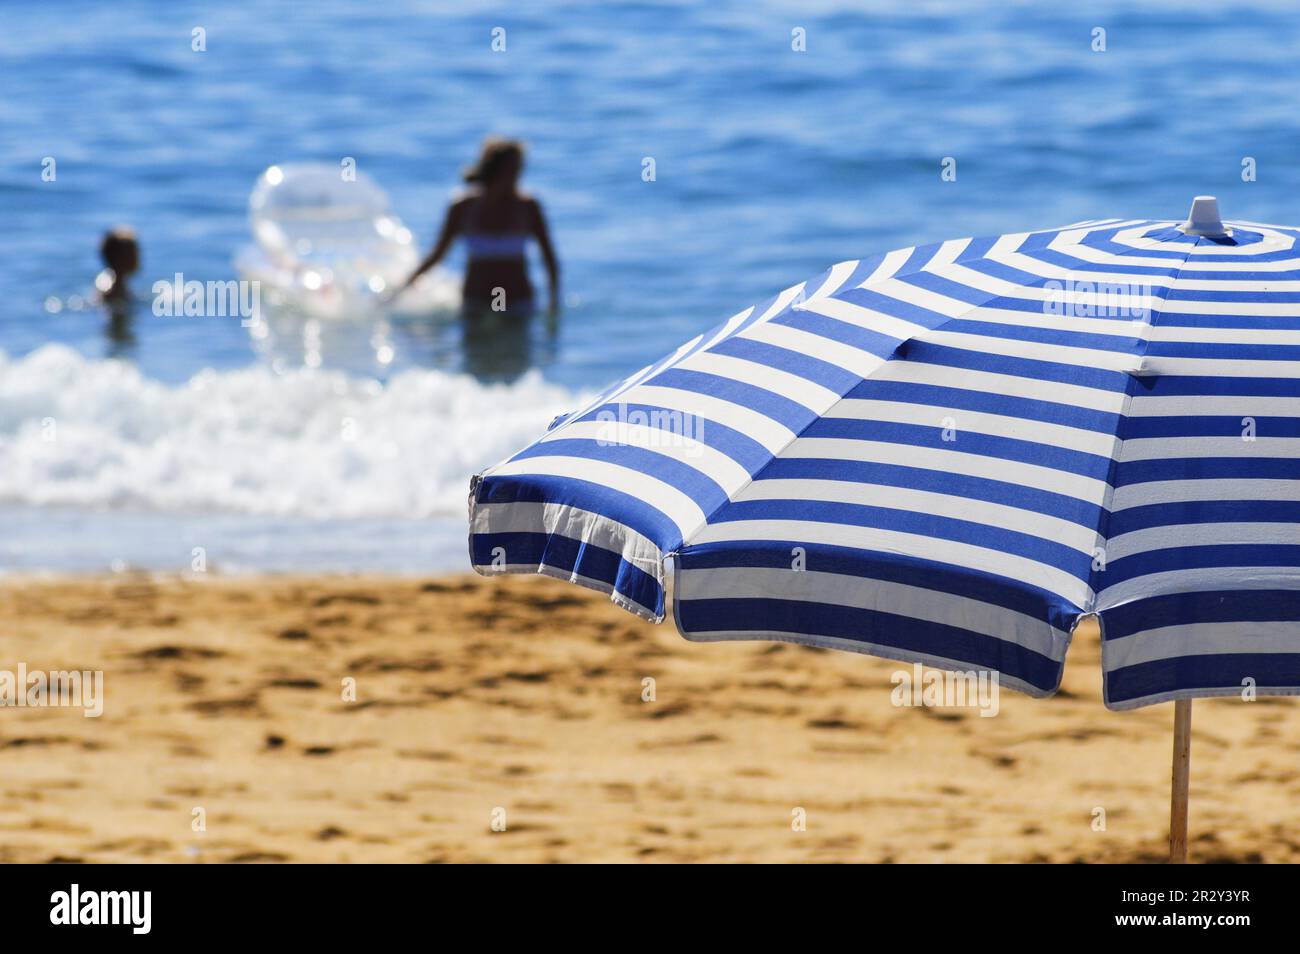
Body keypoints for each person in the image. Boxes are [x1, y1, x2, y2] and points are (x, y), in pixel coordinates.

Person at [395, 138, 559, 317]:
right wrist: (401, 290)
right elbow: (438, 254)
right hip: (476, 301)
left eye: (519, 168)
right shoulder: (463, 206)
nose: (517, 174)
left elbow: (548, 257)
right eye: (513, 169)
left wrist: (553, 302)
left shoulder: (528, 206)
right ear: (495, 169)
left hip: (516, 303)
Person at [96, 227, 140, 305]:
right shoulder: (113, 290)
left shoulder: (111, 280)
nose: (137, 258)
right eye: (132, 254)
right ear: (120, 259)